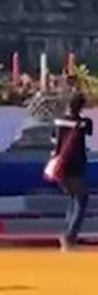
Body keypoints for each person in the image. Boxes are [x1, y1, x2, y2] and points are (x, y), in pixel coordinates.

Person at [53, 93, 93, 250]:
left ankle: (67, 233)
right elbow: (89, 131)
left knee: (73, 199)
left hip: (61, 165)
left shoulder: (59, 121)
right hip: (76, 166)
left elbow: (55, 142)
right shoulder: (83, 122)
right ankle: (69, 236)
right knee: (80, 201)